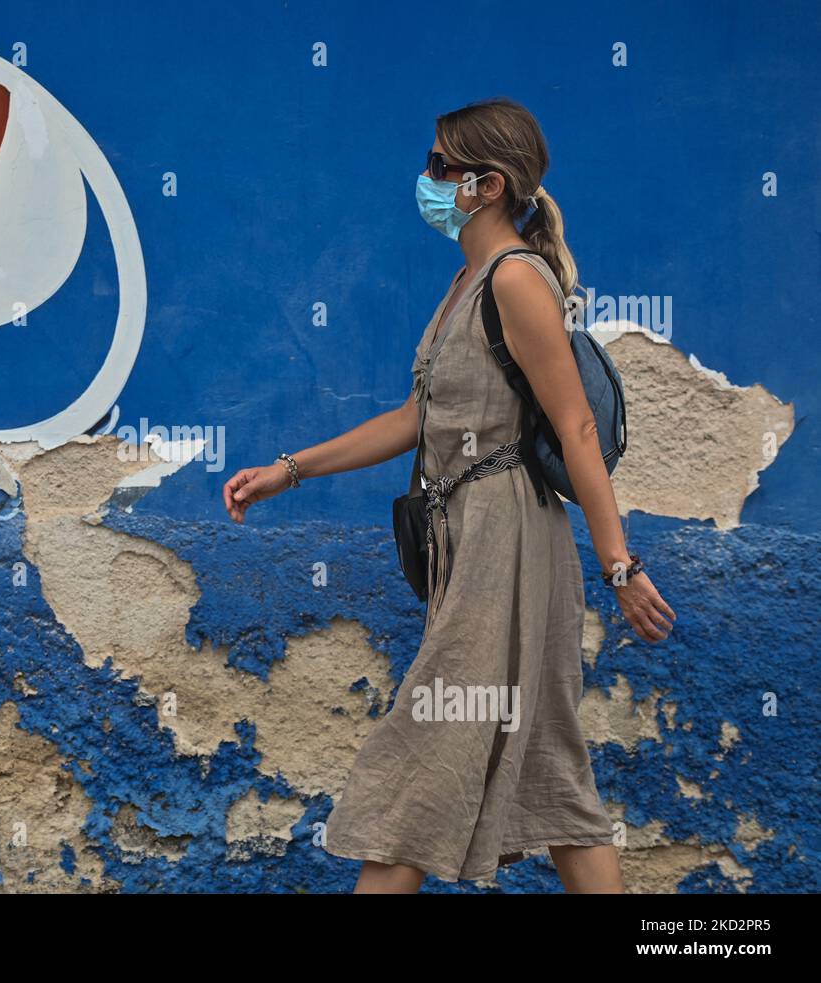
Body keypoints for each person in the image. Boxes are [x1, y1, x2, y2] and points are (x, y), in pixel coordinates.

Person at [220, 97, 675, 894]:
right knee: (552, 771)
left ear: (488, 185)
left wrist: (620, 564)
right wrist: (288, 470)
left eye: (440, 166)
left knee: (427, 740)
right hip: (469, 539)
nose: (425, 179)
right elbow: (413, 419)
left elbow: (573, 428)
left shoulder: (515, 281)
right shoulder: (466, 282)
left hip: (509, 541)